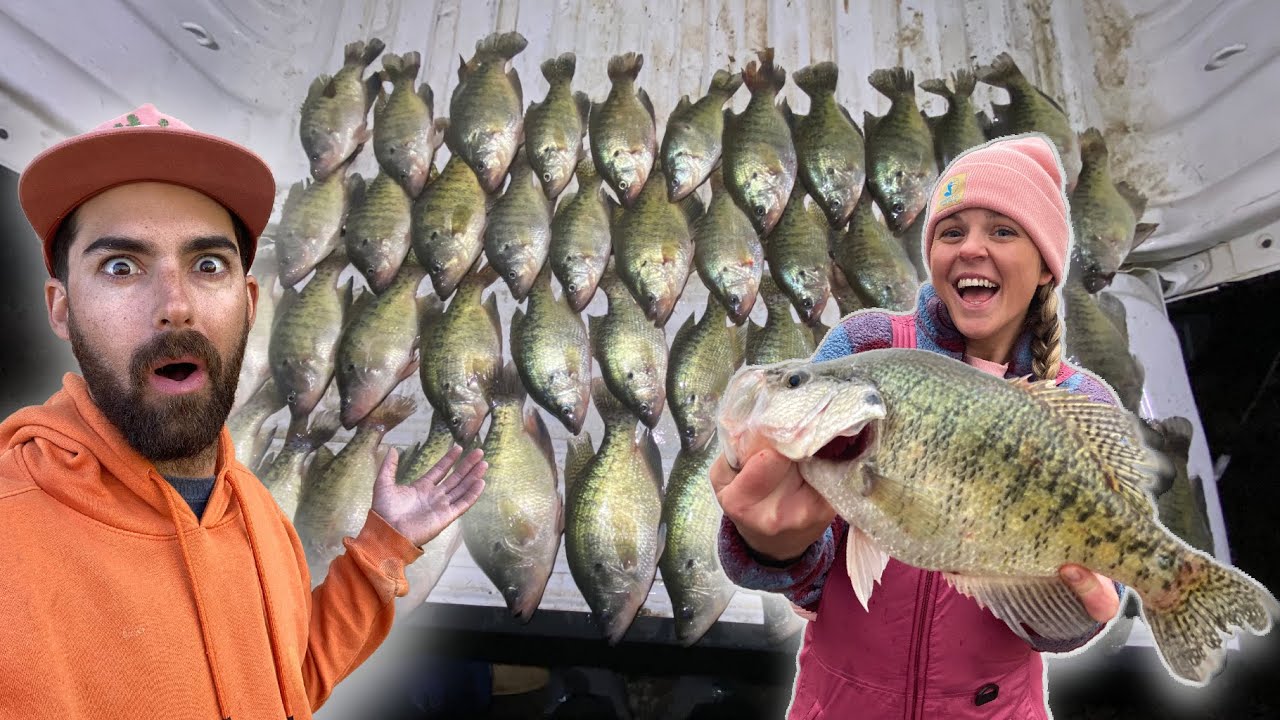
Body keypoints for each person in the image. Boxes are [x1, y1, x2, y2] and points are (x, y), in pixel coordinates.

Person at [0, 104, 488, 719]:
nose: (175, 305)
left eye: (208, 265)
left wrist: (380, 551)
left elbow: (286, 682)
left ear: (251, 303)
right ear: (62, 309)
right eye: (120, 266)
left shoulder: (255, 510)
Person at [713, 134, 1125, 719]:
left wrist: (1072, 612)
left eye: (1003, 231)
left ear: (1045, 267)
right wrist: (776, 550)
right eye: (952, 232)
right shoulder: (866, 347)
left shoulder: (1081, 401)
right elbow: (816, 579)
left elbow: (1090, 599)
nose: (971, 249)